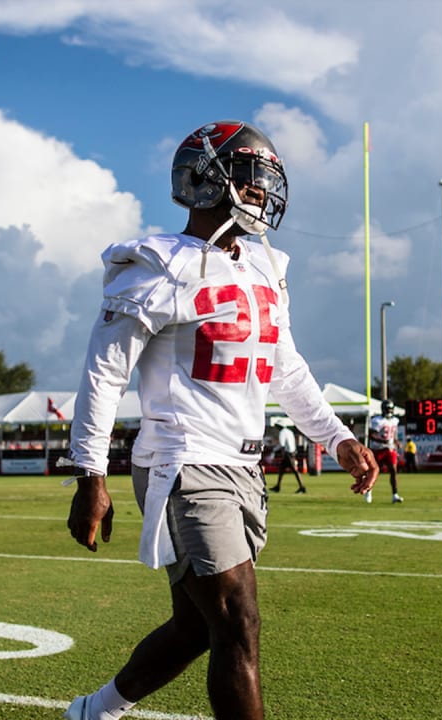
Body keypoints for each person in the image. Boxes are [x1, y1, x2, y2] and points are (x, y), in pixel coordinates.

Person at [62, 120, 378, 720]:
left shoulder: (264, 268)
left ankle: (93, 712)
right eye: (250, 177)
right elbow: (104, 373)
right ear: (206, 179)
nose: (262, 191)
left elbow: (286, 370)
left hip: (242, 464)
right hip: (182, 460)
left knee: (196, 627)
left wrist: (337, 437)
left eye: (267, 180)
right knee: (239, 617)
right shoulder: (157, 264)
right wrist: (89, 476)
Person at [367, 400, 402, 503]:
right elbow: (371, 435)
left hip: (390, 449)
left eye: (391, 409)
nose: (389, 411)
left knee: (393, 470)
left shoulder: (395, 420)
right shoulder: (377, 420)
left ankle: (395, 495)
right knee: (374, 471)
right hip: (378, 449)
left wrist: (396, 441)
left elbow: (393, 435)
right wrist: (382, 440)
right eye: (387, 409)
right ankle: (369, 491)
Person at [269, 422, 306, 494]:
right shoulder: (289, 432)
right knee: (281, 470)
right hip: (292, 452)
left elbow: (282, 444)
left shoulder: (282, 432)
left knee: (294, 470)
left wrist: (274, 450)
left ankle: (302, 487)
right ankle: (278, 486)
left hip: (287, 454)